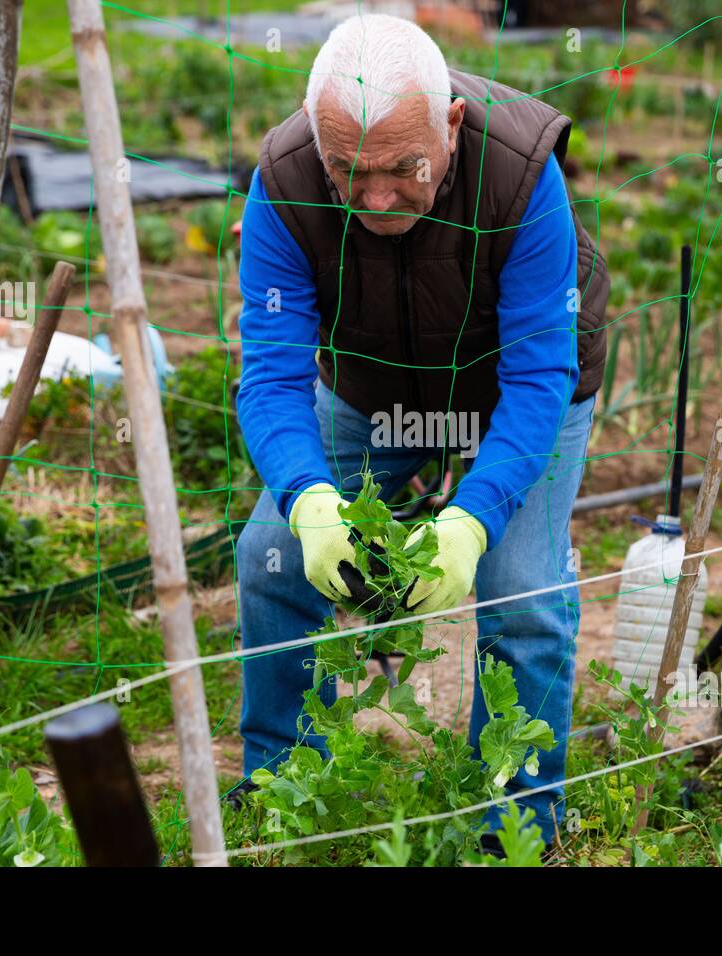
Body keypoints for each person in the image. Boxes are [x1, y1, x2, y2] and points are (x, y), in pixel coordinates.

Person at [232, 12, 610, 841]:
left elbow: (541, 372)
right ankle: (287, 784)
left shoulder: (520, 170)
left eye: (403, 168)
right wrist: (307, 500)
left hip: (518, 391)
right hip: (373, 386)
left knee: (524, 596)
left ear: (450, 126)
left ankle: (516, 821)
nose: (373, 197)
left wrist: (472, 521)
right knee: (268, 562)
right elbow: (271, 372)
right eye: (347, 170)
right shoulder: (286, 177)